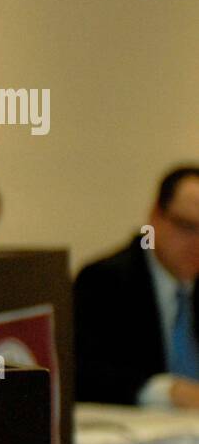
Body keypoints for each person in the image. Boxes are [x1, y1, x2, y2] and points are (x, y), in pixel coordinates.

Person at [74, 166, 199, 408]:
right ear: (155, 218)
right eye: (187, 226)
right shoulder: (104, 280)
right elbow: (85, 373)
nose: (197, 243)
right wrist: (169, 391)